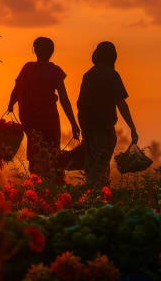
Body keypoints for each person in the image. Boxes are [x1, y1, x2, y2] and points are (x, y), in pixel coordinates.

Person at [7, 37, 80, 181]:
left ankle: (38, 187)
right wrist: (73, 123)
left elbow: (16, 90)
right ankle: (54, 187)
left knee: (36, 154)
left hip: (32, 122)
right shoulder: (55, 70)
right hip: (50, 120)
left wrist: (11, 104)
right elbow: (64, 99)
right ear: (52, 52)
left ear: (35, 51)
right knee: (52, 154)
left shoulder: (27, 68)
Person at [77, 41, 139, 187]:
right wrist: (132, 127)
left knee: (94, 166)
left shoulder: (88, 75)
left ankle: (96, 199)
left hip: (89, 129)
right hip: (104, 129)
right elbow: (121, 103)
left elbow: (80, 104)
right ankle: (97, 199)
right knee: (99, 169)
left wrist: (83, 128)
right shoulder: (112, 75)